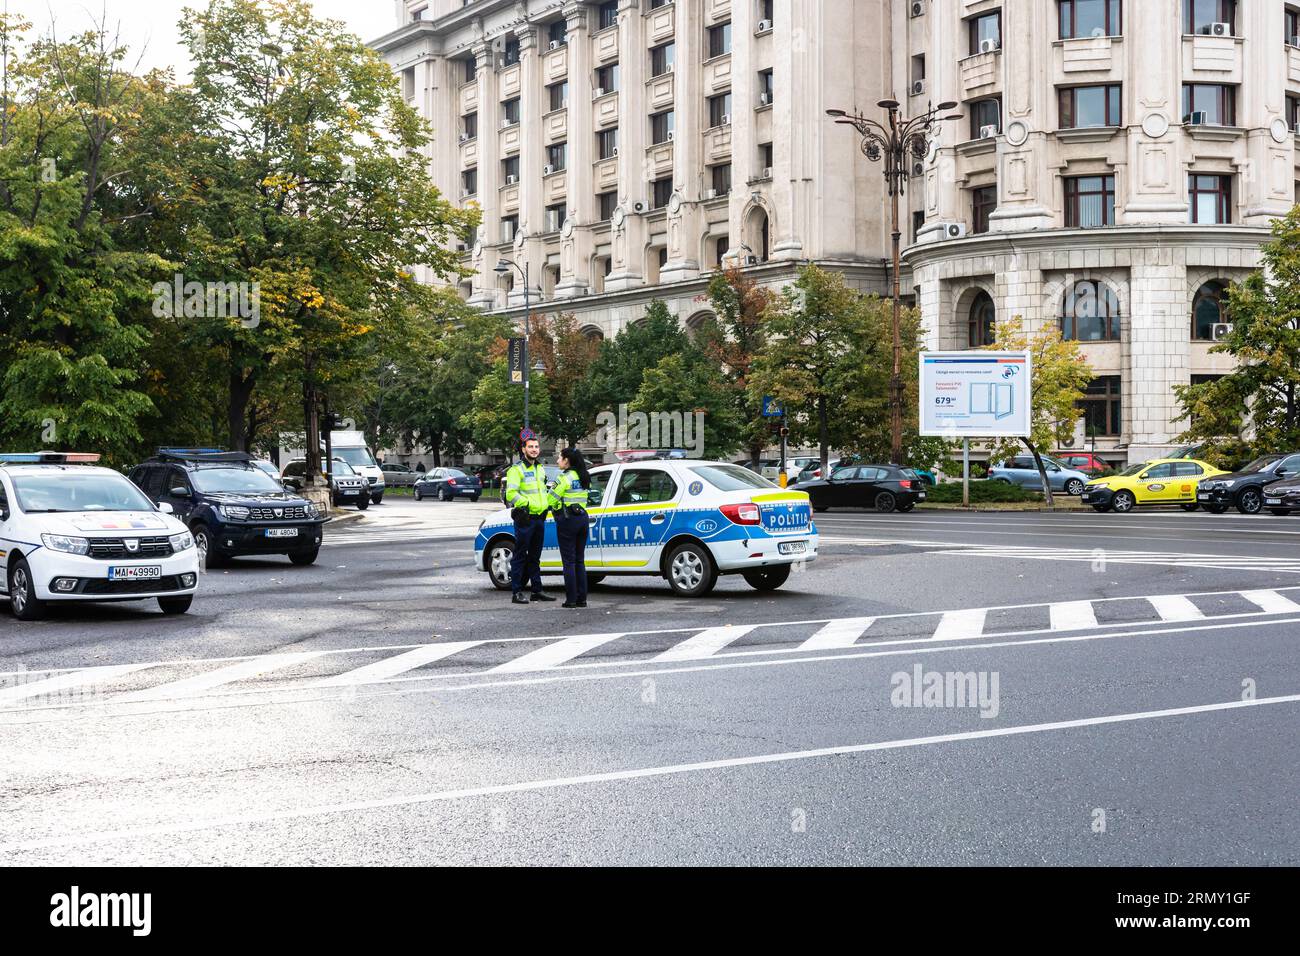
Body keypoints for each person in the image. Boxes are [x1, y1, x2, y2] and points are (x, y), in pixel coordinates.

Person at [503, 429, 556, 605]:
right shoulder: (516, 469)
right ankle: (516, 592)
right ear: (524, 449)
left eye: (536, 446)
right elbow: (511, 494)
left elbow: (543, 491)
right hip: (525, 519)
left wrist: (547, 505)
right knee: (520, 555)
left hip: (540, 517)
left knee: (535, 556)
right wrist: (526, 505)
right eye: (530, 447)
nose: (534, 449)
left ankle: (536, 590)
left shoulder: (540, 468)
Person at [549, 447, 592, 609]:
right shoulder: (583, 476)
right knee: (579, 560)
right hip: (582, 518)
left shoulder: (564, 478)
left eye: (560, 457)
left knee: (568, 562)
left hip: (568, 520)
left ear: (567, 460)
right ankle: (582, 599)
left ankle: (571, 599)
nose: (558, 460)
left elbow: (551, 499)